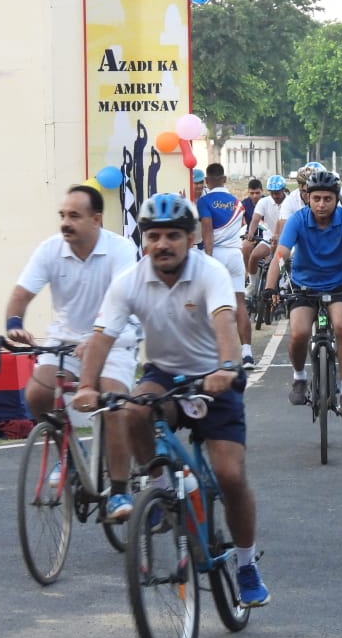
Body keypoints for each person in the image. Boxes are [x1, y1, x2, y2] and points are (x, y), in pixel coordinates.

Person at [71, 194, 270, 606]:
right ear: (144, 240)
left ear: (191, 238)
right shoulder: (129, 280)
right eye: (154, 236)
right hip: (164, 376)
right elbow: (102, 337)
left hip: (216, 379)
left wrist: (227, 367)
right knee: (131, 409)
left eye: (173, 236)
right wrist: (86, 386)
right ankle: (160, 487)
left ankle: (247, 564)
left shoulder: (210, 272)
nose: (163, 244)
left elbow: (224, 323)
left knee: (230, 477)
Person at [4, 185, 142, 521]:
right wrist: (14, 325)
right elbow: (21, 294)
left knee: (112, 405)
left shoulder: (121, 250)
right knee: (37, 393)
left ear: (96, 219)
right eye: (62, 216)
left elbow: (119, 305)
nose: (65, 223)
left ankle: (120, 492)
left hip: (116, 336)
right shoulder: (50, 250)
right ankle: (69, 454)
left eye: (74, 216)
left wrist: (97, 339)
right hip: (65, 338)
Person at [265, 169, 342, 416]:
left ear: (337, 199)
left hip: (339, 284)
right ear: (307, 198)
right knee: (299, 332)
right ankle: (299, 376)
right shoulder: (298, 220)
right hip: (304, 285)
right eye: (317, 199)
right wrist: (270, 287)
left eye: (328, 198)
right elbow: (281, 255)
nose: (322, 204)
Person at [197, 163, 255, 369]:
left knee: (211, 304)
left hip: (217, 255)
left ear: (207, 181)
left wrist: (208, 259)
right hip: (235, 254)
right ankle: (247, 353)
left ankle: (216, 353)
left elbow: (207, 232)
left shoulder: (204, 201)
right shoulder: (237, 203)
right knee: (240, 304)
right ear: (225, 179)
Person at [242, 174, 287, 295]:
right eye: (272, 193)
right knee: (254, 256)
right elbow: (255, 219)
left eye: (277, 193)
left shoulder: (289, 202)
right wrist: (251, 233)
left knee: (282, 261)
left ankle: (284, 284)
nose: (274, 196)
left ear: (283, 190)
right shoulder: (264, 202)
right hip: (269, 238)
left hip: (286, 240)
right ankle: (252, 284)